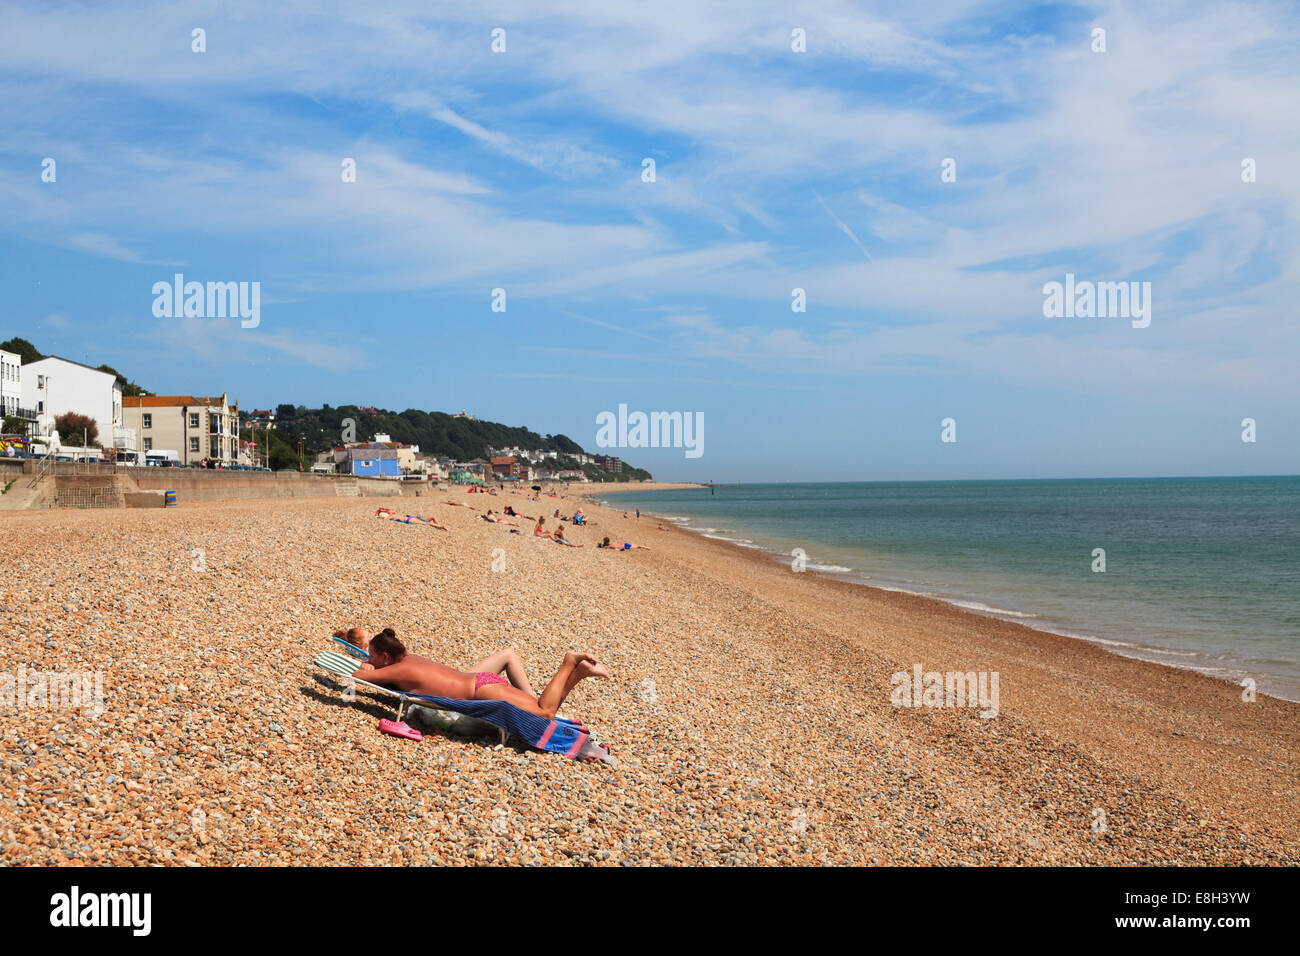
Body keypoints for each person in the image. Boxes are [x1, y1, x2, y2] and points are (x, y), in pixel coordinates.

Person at [356, 628, 609, 718]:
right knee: (540, 707)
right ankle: (579, 673)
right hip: (481, 683)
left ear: (385, 657)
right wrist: (370, 664)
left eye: (372, 656)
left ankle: (569, 663)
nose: (370, 660)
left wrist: (365, 668)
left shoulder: (398, 670)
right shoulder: (410, 659)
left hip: (481, 690)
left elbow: (359, 677)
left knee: (545, 711)